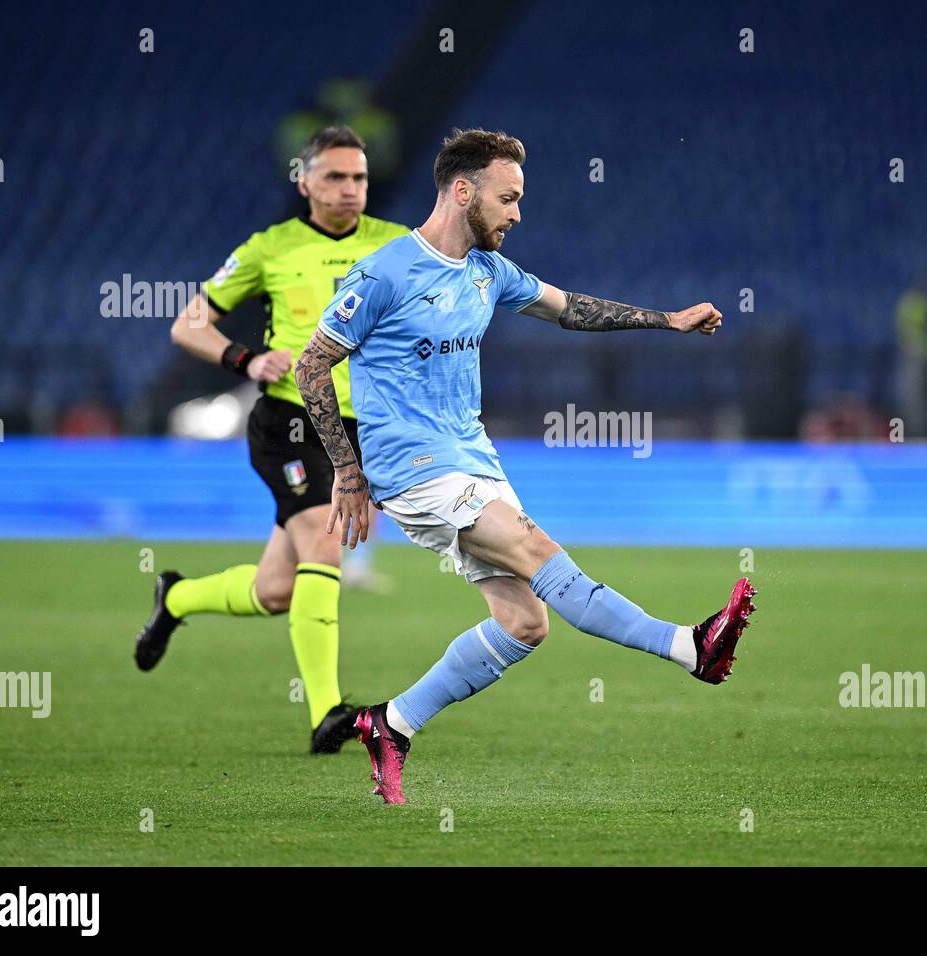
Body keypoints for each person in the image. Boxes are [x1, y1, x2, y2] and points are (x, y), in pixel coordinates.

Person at [295, 128, 756, 803]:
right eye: (507, 199)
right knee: (535, 548)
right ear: (462, 191)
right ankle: (689, 646)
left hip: (470, 457)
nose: (516, 213)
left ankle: (389, 724)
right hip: (413, 468)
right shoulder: (384, 273)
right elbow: (312, 366)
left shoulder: (488, 271)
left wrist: (669, 320)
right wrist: (351, 471)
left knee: (523, 623)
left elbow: (571, 310)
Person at [133, 126, 409, 754]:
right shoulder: (270, 247)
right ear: (304, 181)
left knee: (278, 590)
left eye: (359, 178)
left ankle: (176, 596)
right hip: (291, 425)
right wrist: (245, 358)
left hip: (364, 430)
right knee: (324, 538)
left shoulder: (397, 246)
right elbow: (189, 323)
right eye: (335, 177)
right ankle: (326, 715)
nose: (349, 189)